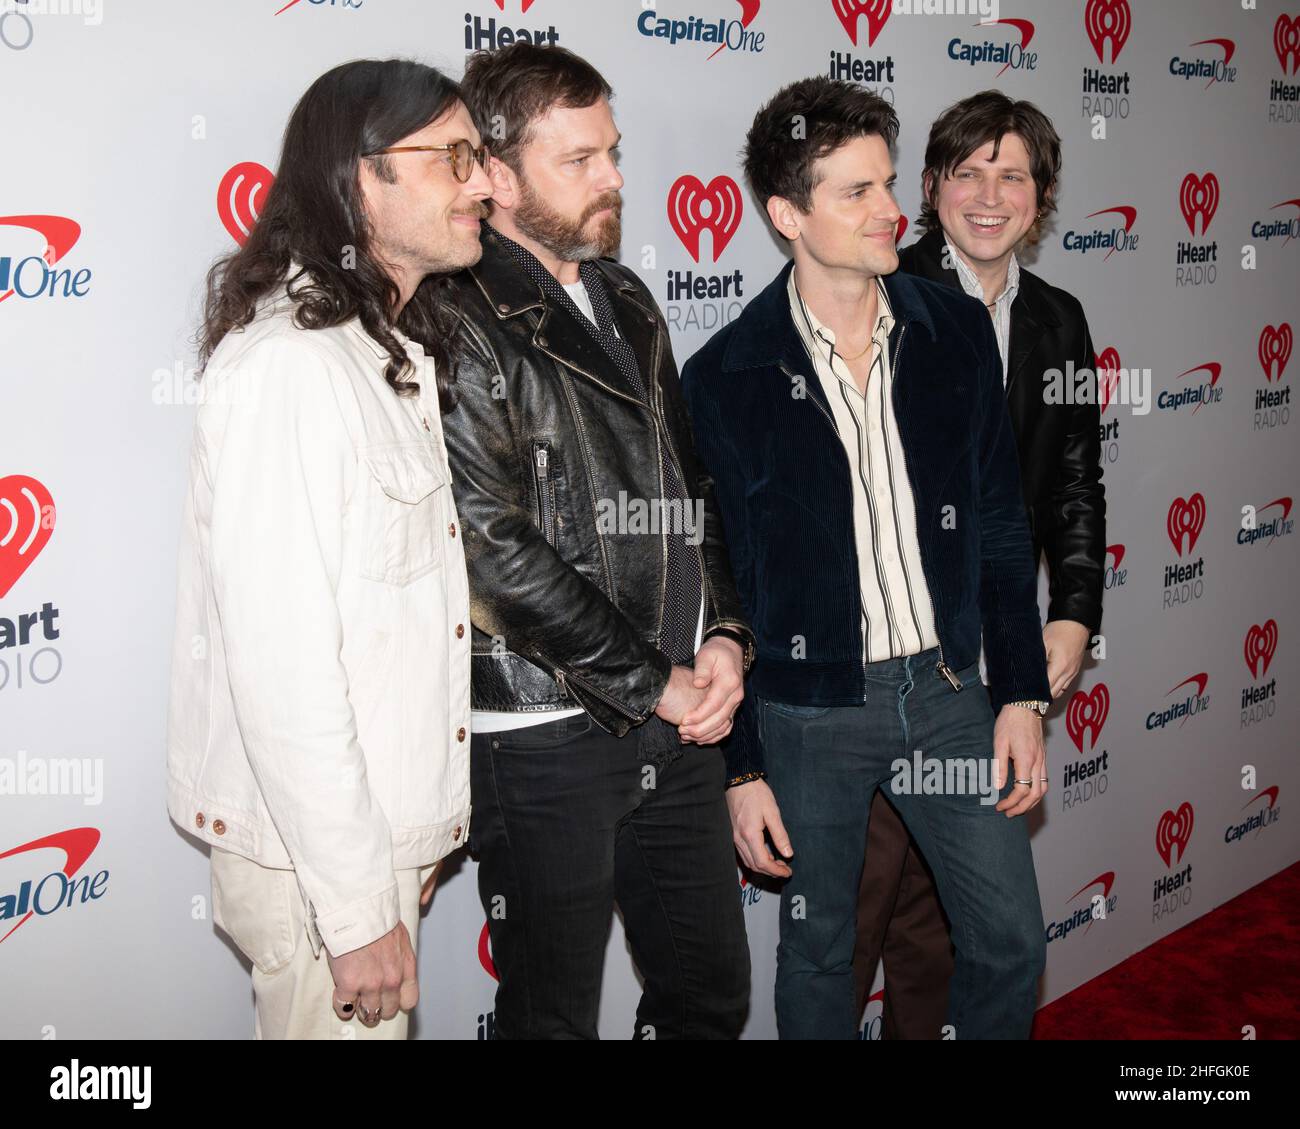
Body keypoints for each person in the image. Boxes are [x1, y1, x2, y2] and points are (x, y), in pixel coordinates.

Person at [680, 77, 1052, 1040]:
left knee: (1010, 937)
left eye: (889, 185)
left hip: (946, 694)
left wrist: (1018, 691)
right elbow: (718, 587)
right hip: (809, 714)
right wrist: (740, 767)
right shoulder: (724, 377)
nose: (893, 211)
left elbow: (1004, 528)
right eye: (857, 193)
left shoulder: (953, 330)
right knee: (818, 957)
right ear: (785, 214)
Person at [400, 43, 755, 1040]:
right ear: (500, 178)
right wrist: (656, 678)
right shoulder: (456, 312)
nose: (614, 176)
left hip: (674, 715)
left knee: (708, 996)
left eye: (613, 150)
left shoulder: (629, 298)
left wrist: (723, 629)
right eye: (581, 159)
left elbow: (693, 487)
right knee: (550, 1018)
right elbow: (489, 548)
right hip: (545, 729)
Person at [166, 59, 493, 1039]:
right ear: (363, 180)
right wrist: (355, 909)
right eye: (453, 159)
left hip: (359, 849)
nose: (483, 184)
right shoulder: (293, 367)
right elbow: (284, 664)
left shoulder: (382, 352)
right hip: (324, 873)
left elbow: (384, 633)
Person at [853, 90, 1106, 1038]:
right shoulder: (880, 289)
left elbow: (1076, 481)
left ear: (1041, 196)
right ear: (930, 188)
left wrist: (1073, 610)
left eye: (1013, 175)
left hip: (998, 658)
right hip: (892, 661)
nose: (989, 195)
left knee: (943, 922)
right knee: (855, 913)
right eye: (967, 172)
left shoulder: (1059, 319)